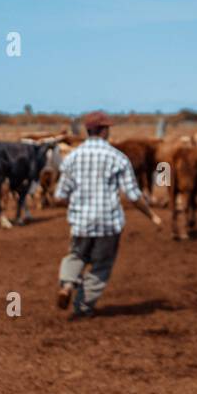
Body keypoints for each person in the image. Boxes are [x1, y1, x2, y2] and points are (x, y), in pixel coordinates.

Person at [53, 111, 162, 318]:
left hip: (81, 222)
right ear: (104, 131)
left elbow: (59, 196)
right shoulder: (118, 158)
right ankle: (83, 307)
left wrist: (77, 205)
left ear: (88, 130)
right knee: (101, 265)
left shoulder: (72, 158)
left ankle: (67, 284)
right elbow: (133, 195)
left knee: (76, 255)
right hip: (108, 223)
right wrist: (151, 215)